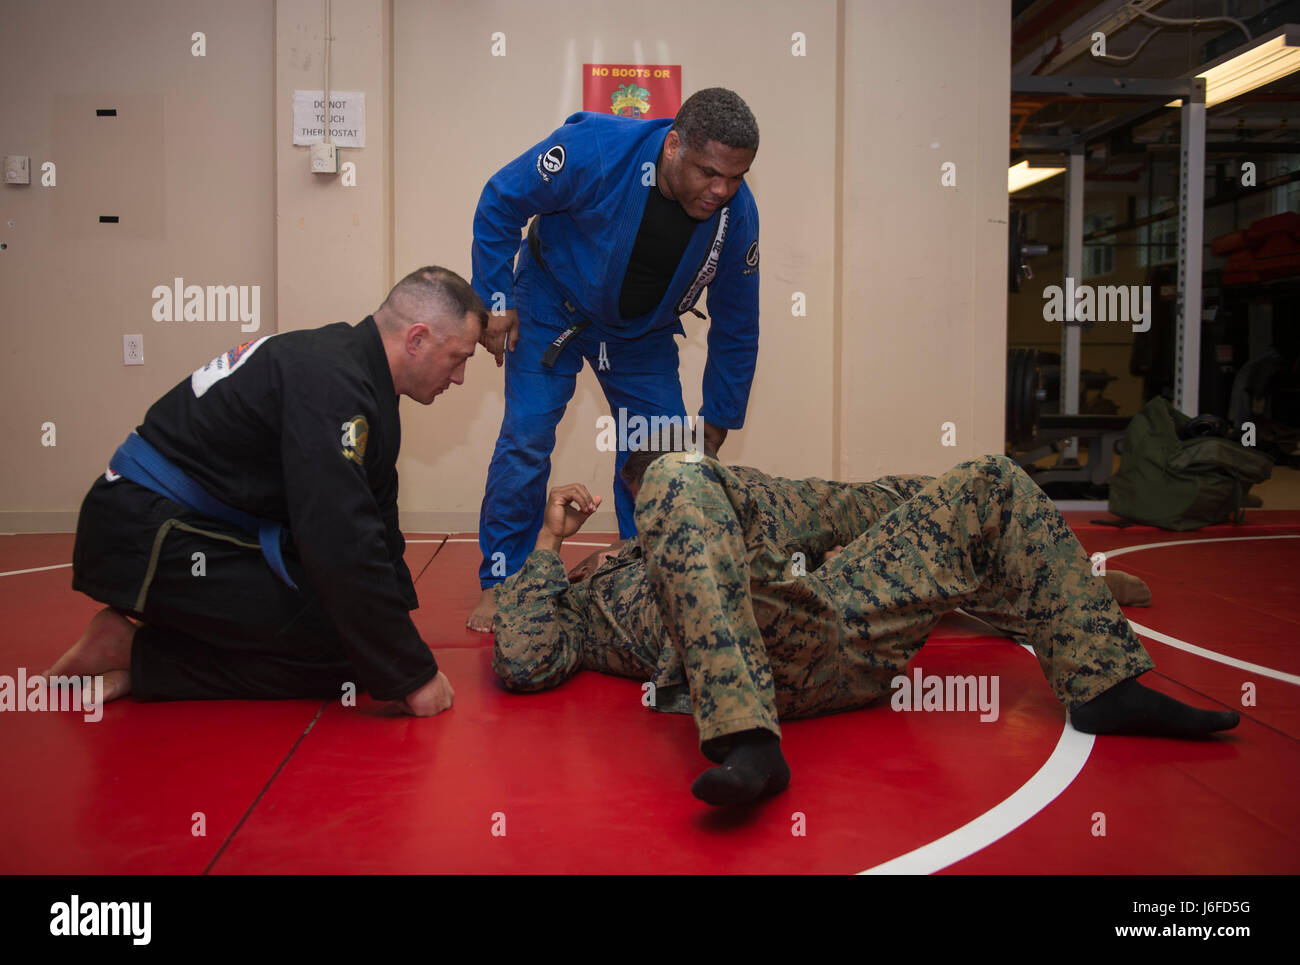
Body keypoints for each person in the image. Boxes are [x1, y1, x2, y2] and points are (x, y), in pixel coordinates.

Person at [493, 449, 1239, 806]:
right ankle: (747, 739)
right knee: (677, 478)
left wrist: (1063, 569)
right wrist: (551, 548)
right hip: (760, 666)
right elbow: (525, 660)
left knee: (989, 480)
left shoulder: (737, 507)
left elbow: (869, 504)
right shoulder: (592, 593)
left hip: (835, 625)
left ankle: (1106, 684)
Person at [43, 266, 485, 718]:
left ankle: (139, 651)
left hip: (185, 526)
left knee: (364, 643)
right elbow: (339, 539)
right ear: (417, 339)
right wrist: (410, 673)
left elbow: (374, 513)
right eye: (458, 358)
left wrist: (397, 627)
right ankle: (132, 654)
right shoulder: (333, 384)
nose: (460, 377)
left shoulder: (357, 375)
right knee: (349, 653)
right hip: (145, 533)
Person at [466, 87, 762, 631]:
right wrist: (495, 298)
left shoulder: (735, 214)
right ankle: (504, 580)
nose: (721, 190)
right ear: (673, 145)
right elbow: (500, 200)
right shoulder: (595, 150)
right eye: (709, 172)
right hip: (549, 301)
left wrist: (718, 421)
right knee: (527, 438)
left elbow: (738, 324)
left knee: (665, 456)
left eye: (736, 176)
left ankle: (644, 578)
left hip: (640, 334)